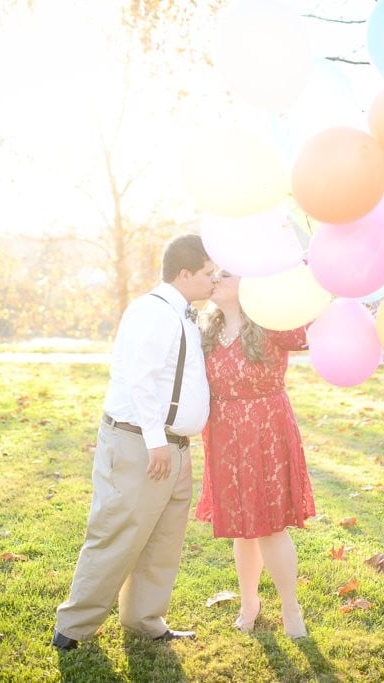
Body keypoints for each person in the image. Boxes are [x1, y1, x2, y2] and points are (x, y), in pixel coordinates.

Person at [52, 234, 217, 651]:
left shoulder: (185, 314)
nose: (213, 280)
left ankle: (144, 618)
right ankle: (73, 626)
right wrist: (157, 441)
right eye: (208, 273)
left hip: (176, 446)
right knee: (118, 532)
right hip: (144, 445)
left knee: (163, 539)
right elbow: (140, 379)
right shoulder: (153, 312)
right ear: (184, 274)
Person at [195, 269, 315, 639]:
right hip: (225, 437)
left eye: (225, 274)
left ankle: (290, 608)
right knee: (242, 530)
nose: (215, 279)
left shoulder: (270, 324)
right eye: (213, 273)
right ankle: (250, 603)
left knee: (270, 526)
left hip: (267, 432)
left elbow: (312, 332)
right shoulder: (206, 331)